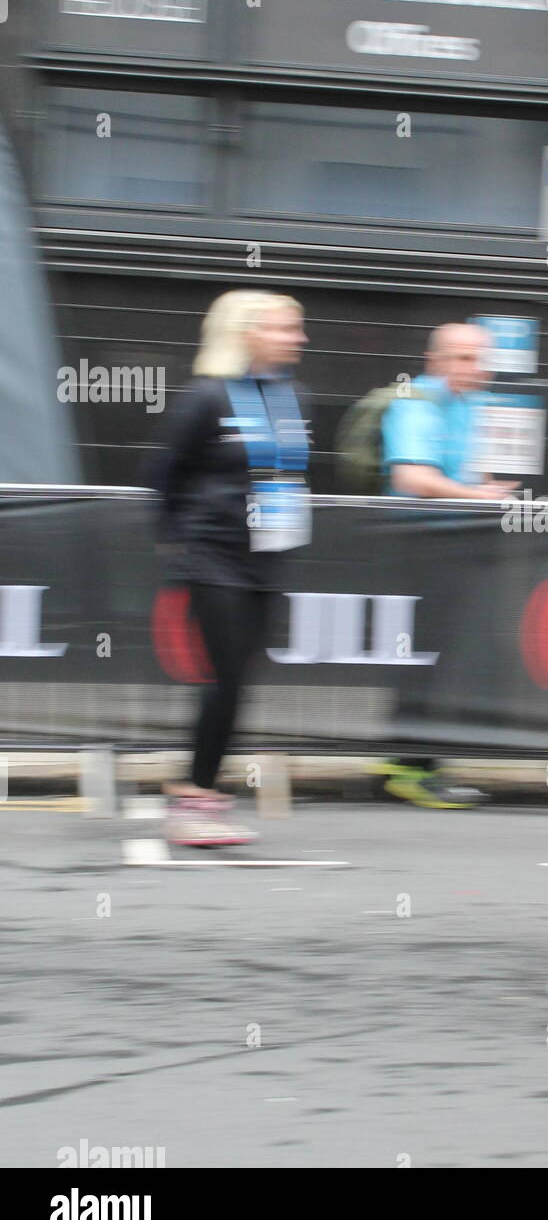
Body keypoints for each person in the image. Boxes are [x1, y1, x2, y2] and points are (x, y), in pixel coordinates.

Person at [148, 290, 311, 847]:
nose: (300, 338)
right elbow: (163, 476)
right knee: (226, 680)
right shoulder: (208, 396)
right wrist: (178, 545)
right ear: (249, 333)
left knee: (238, 680)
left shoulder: (295, 397)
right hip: (213, 557)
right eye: (286, 328)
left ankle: (199, 794)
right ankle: (195, 798)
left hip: (266, 560)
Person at [370, 321, 519, 808]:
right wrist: (476, 495)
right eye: (464, 359)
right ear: (436, 362)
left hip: (459, 548)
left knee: (440, 657)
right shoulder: (416, 401)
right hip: (422, 546)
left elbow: (474, 470)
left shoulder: (473, 404)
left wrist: (488, 488)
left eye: (481, 358)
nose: (477, 368)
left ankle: (414, 758)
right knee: (424, 659)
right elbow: (412, 477)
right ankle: (408, 767)